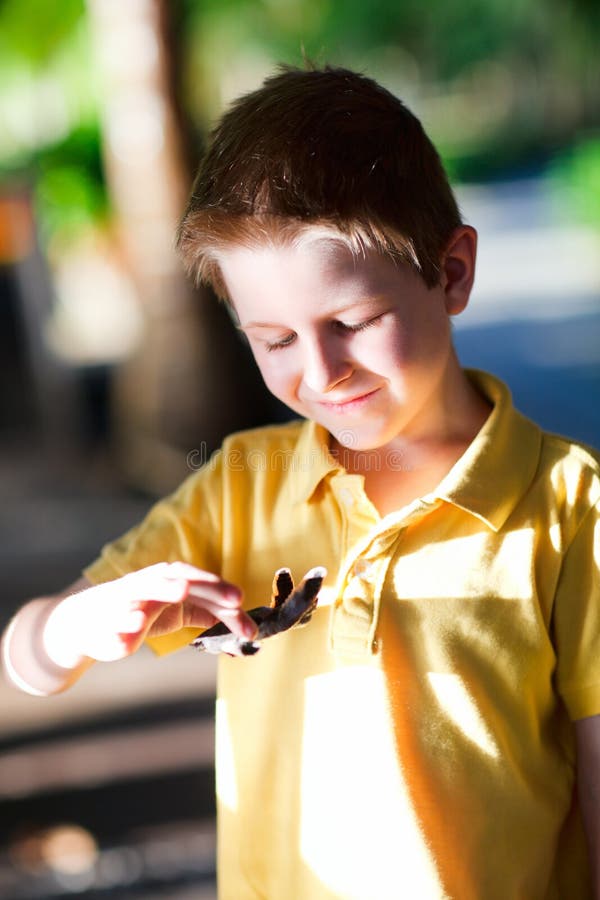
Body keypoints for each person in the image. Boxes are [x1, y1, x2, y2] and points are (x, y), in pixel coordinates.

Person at [2, 64, 599, 899]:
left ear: (452, 272)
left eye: (352, 323)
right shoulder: (239, 485)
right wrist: (75, 627)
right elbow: (25, 658)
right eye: (274, 340)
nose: (322, 373)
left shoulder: (574, 509)